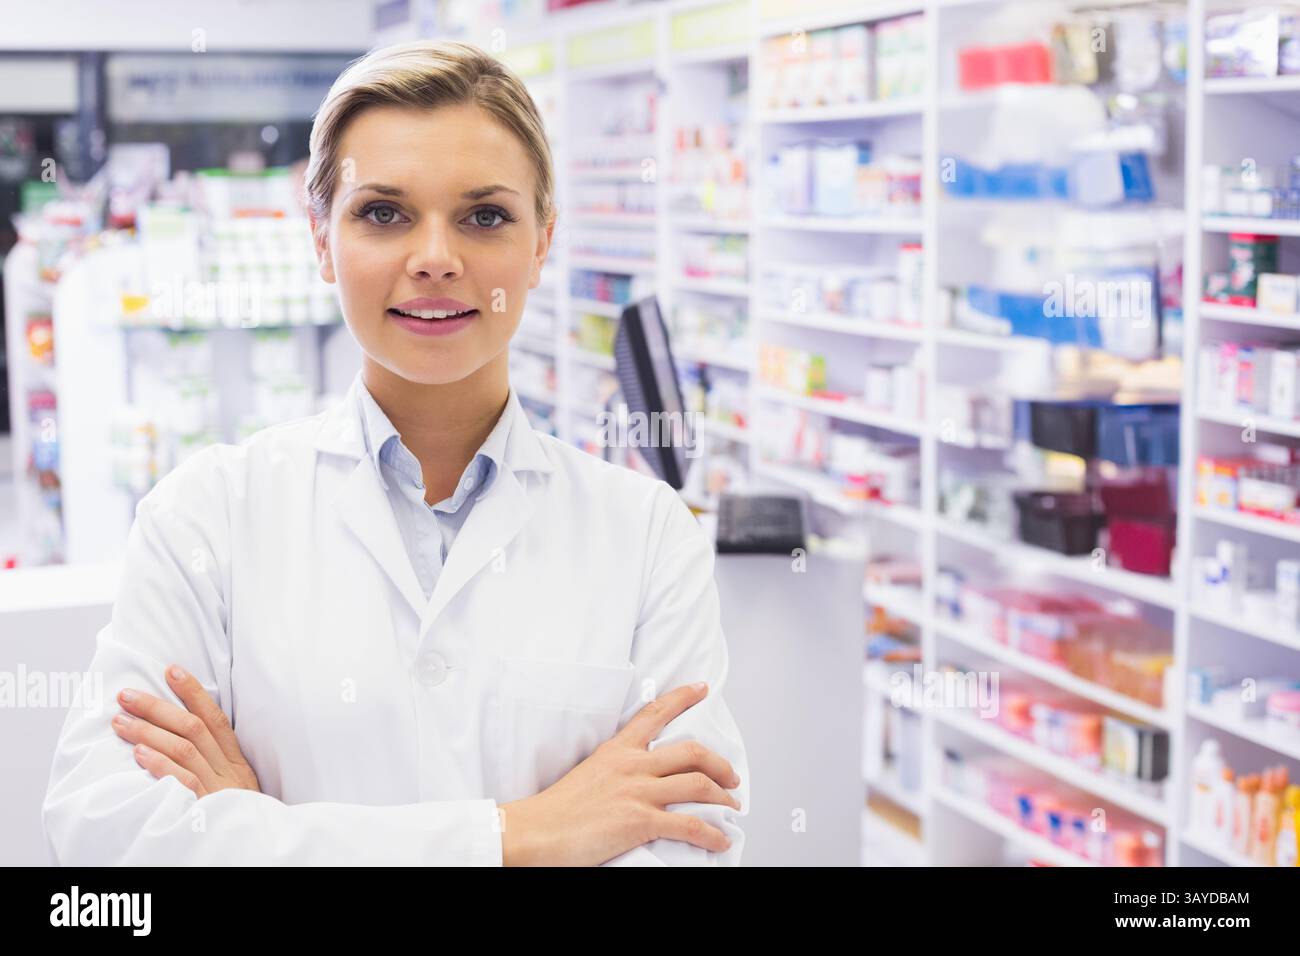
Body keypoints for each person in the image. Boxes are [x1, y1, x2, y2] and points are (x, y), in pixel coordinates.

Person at [41, 40, 748, 866]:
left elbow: (694, 840)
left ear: (541, 243)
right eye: (383, 212)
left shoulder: (648, 536)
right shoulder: (206, 516)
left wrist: (254, 826)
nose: (436, 258)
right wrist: (524, 834)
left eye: (485, 215)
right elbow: (104, 831)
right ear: (320, 240)